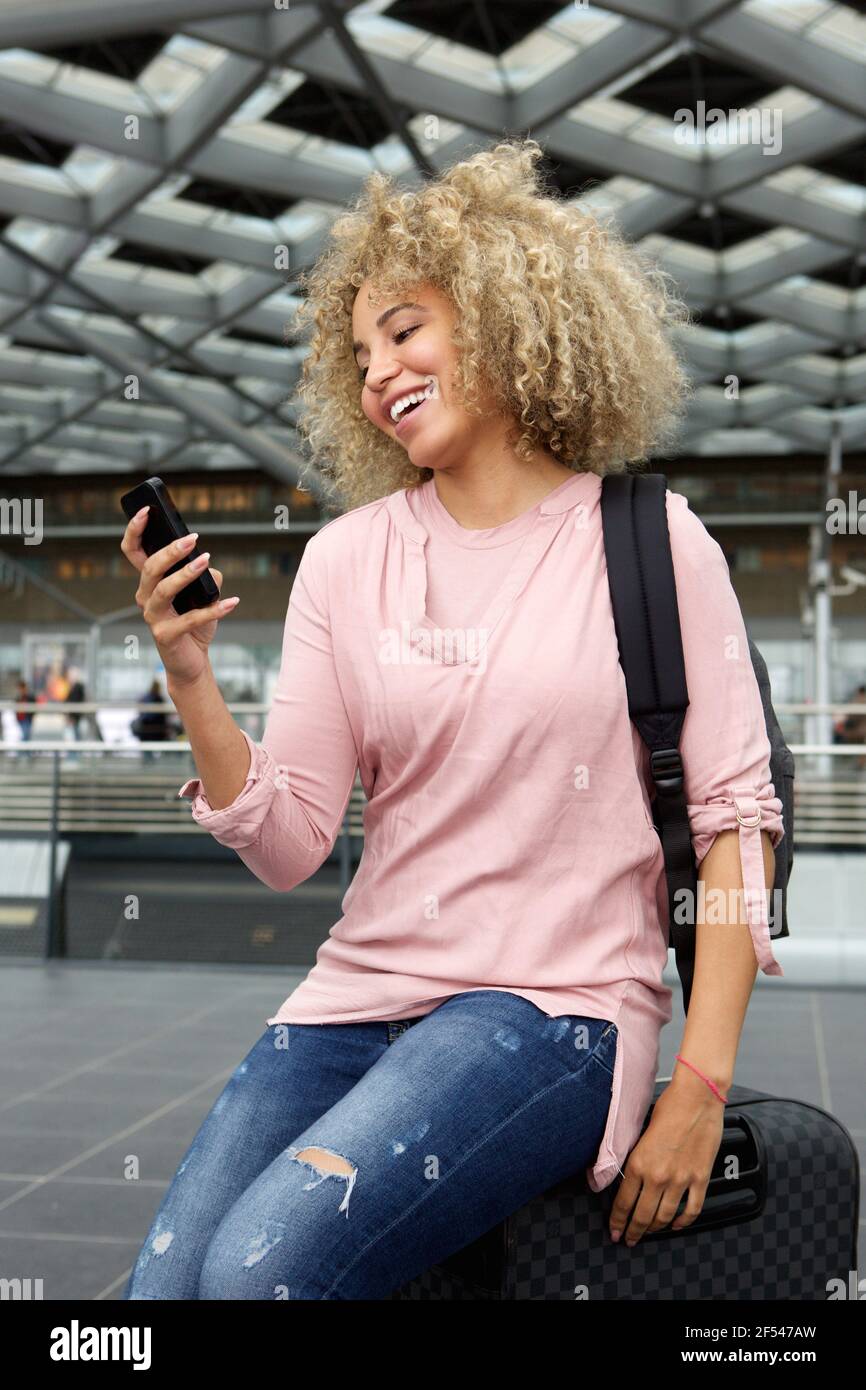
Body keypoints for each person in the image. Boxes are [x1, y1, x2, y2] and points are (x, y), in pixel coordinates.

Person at [119, 139, 784, 1301]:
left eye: (406, 328)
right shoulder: (344, 561)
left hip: (554, 1007)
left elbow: (735, 821)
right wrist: (189, 677)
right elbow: (288, 846)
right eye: (361, 348)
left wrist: (700, 1083)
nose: (378, 369)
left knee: (255, 1277)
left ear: (503, 313)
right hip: (355, 997)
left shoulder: (650, 540)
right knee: (158, 1300)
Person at [133, 677, 173, 761]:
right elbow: (164, 716)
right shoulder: (159, 699)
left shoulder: (144, 698)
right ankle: (157, 760)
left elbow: (141, 713)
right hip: (158, 731)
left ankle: (147, 761)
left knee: (146, 746)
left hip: (144, 729)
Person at [14, 677, 34, 741]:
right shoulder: (18, 698)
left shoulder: (29, 697)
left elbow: (33, 707)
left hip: (26, 719)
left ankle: (24, 750)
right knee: (23, 735)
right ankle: (23, 750)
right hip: (20, 719)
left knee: (26, 735)